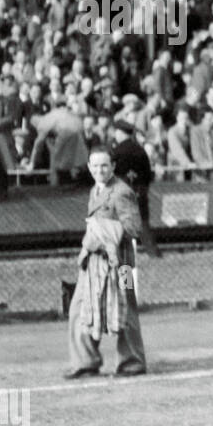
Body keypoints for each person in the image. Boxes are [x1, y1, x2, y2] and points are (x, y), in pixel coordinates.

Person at [64, 149, 147, 379]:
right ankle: (85, 361)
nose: (99, 170)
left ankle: (133, 361)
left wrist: (103, 233)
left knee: (127, 308)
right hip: (93, 263)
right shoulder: (96, 190)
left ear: (113, 166)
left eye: (104, 166)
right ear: (89, 167)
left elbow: (134, 228)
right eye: (95, 166)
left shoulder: (121, 192)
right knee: (80, 309)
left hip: (123, 264)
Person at [110, 119, 159, 258]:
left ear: (119, 133)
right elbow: (148, 173)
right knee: (143, 224)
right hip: (139, 191)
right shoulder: (140, 150)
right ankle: (154, 253)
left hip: (122, 194)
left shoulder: (117, 152)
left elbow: (112, 174)